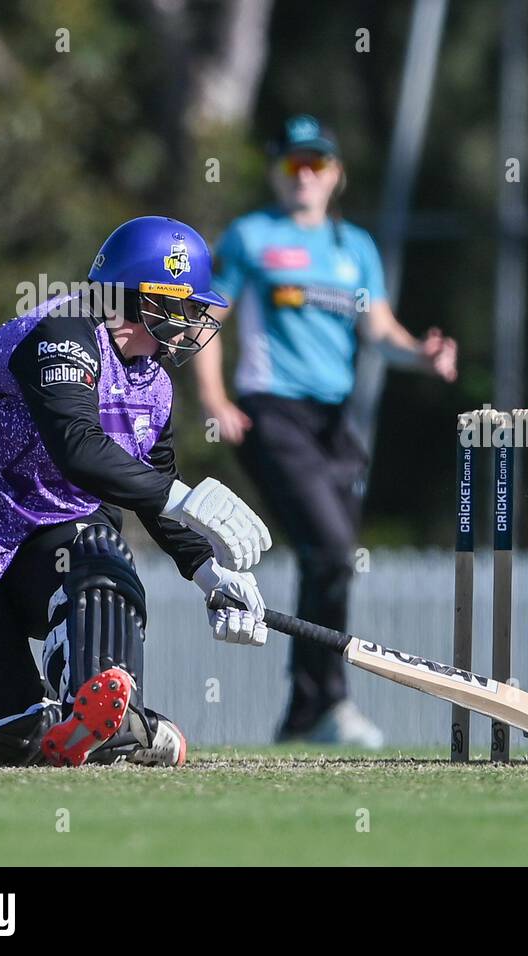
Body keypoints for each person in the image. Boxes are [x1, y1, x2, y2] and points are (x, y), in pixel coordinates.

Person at [0, 216, 273, 767]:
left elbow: (149, 489)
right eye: (183, 308)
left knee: (97, 550)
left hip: (47, 548)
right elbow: (79, 448)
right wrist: (186, 499)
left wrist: (210, 573)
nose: (192, 326)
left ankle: (114, 716)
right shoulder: (61, 331)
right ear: (141, 298)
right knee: (19, 735)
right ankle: (126, 728)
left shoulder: (153, 382)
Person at [195, 114, 458, 746]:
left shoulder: (354, 248)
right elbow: (208, 315)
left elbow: (379, 331)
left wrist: (419, 354)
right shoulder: (252, 237)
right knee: (333, 549)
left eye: (317, 164)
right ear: (277, 173)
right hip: (272, 412)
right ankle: (326, 705)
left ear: (335, 174)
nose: (304, 175)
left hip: (337, 426)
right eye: (292, 164)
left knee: (330, 563)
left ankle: (306, 713)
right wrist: (214, 397)